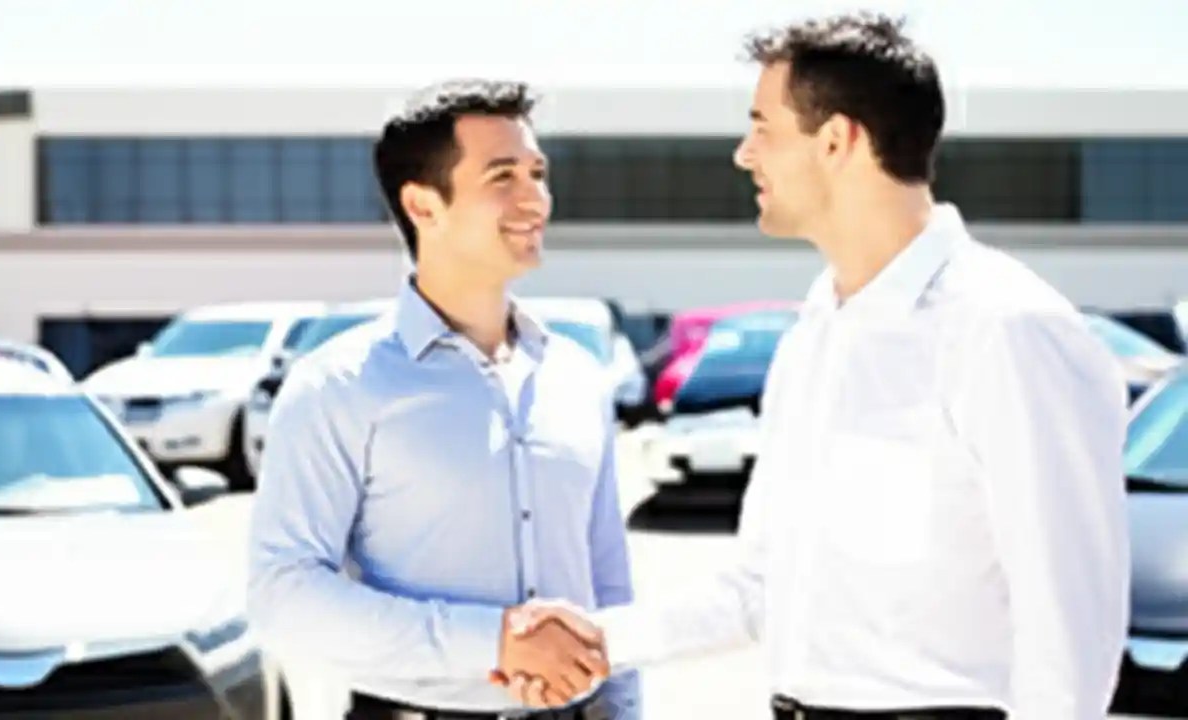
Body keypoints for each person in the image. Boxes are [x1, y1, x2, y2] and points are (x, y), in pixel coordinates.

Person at [498, 12, 1130, 720]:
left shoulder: (1007, 331)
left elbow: (1071, 626)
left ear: (837, 140)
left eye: (763, 126)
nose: (744, 154)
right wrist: (599, 639)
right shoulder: (815, 336)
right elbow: (762, 586)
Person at [246, 79, 639, 719]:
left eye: (538, 172)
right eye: (502, 176)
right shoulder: (339, 386)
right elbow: (284, 595)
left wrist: (624, 709)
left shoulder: (574, 375)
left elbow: (608, 581)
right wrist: (493, 642)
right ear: (424, 206)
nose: (535, 197)